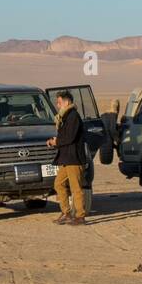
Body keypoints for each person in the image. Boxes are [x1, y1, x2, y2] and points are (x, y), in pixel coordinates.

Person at [47, 90, 89, 225]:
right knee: (58, 184)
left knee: (76, 188)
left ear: (67, 102)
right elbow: (65, 136)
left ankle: (80, 216)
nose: (57, 105)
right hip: (66, 158)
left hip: (74, 158)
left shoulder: (73, 116)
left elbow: (70, 137)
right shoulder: (65, 117)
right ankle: (66, 213)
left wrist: (56, 142)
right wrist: (55, 140)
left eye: (59, 102)